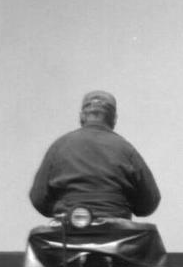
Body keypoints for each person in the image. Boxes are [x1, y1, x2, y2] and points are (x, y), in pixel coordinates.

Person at [29, 91, 161, 220]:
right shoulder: (126, 149)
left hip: (67, 231)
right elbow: (149, 203)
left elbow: (38, 199)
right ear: (114, 119)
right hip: (117, 232)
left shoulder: (59, 147)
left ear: (82, 116)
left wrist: (60, 207)